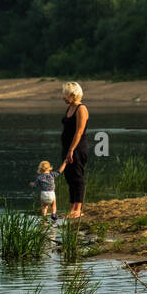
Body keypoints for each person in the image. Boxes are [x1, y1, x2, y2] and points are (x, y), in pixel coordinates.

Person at [57, 82, 90, 219]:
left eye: (65, 94)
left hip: (77, 149)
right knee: (69, 177)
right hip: (67, 148)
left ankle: (78, 209)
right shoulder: (70, 107)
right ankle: (72, 209)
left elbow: (79, 132)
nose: (63, 97)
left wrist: (71, 150)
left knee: (77, 177)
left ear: (73, 94)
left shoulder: (81, 109)